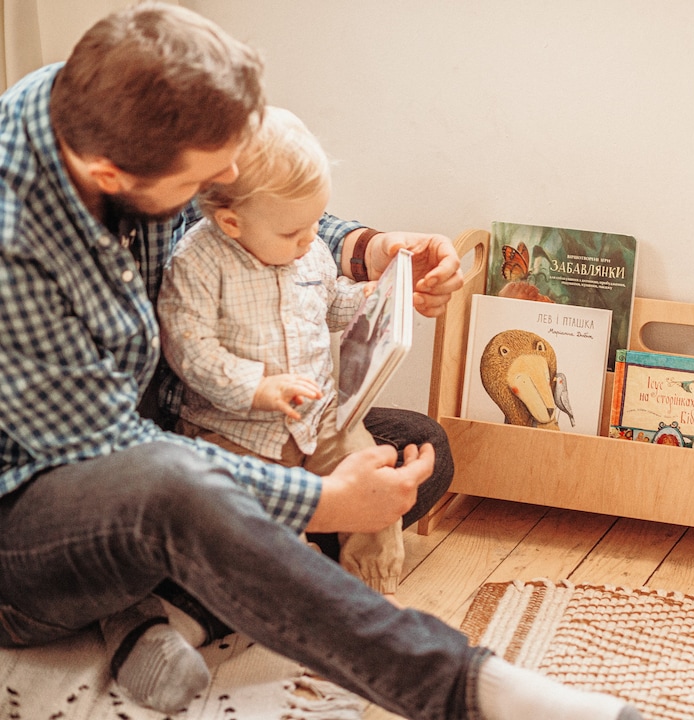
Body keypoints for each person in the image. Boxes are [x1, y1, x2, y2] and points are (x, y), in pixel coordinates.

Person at [0, 4, 643, 720]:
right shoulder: (14, 247)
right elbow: (109, 454)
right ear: (110, 174)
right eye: (203, 184)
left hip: (179, 429)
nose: (229, 182)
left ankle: (181, 611)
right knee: (180, 487)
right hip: (35, 523)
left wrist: (372, 251)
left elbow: (250, 208)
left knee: (415, 452)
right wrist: (325, 502)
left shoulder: (96, 101)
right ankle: (468, 691)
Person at [158, 105, 405, 604]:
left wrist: (374, 299)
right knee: (252, 521)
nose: (310, 240)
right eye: (293, 232)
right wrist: (255, 387)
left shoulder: (307, 248)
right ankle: (289, 588)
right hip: (236, 432)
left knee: (377, 467)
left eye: (315, 223)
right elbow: (190, 349)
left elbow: (332, 302)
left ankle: (370, 587)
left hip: (317, 420)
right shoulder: (197, 262)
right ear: (231, 222)